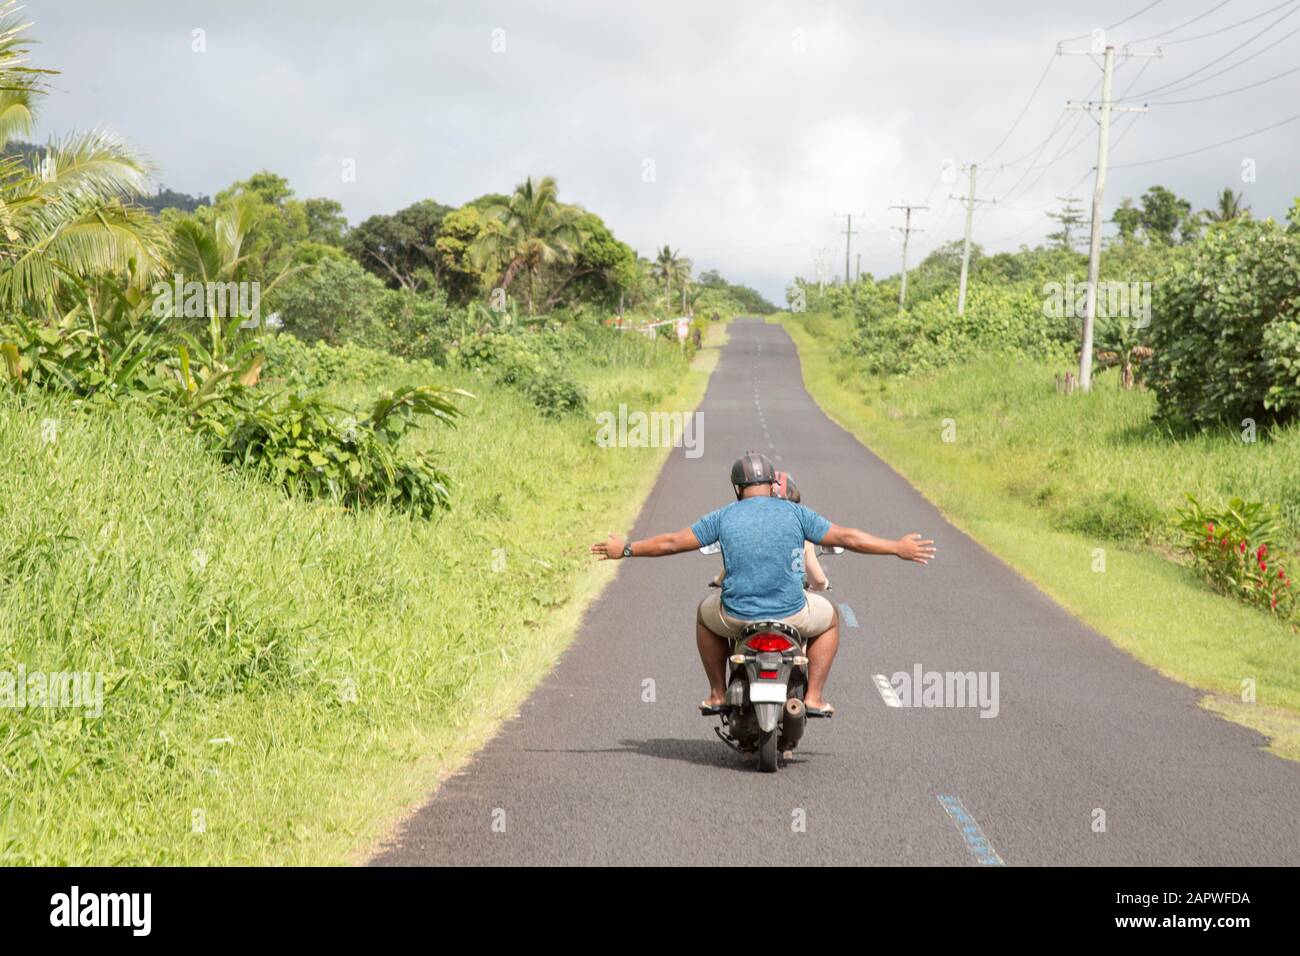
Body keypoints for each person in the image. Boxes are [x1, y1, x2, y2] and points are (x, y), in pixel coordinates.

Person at [590, 451, 936, 717]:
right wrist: (896, 548)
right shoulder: (797, 514)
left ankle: (717, 693)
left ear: (737, 489)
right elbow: (848, 536)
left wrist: (628, 549)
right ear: (773, 485)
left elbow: (671, 542)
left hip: (737, 616)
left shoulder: (723, 516)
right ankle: (814, 696)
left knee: (703, 613)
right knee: (829, 617)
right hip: (792, 614)